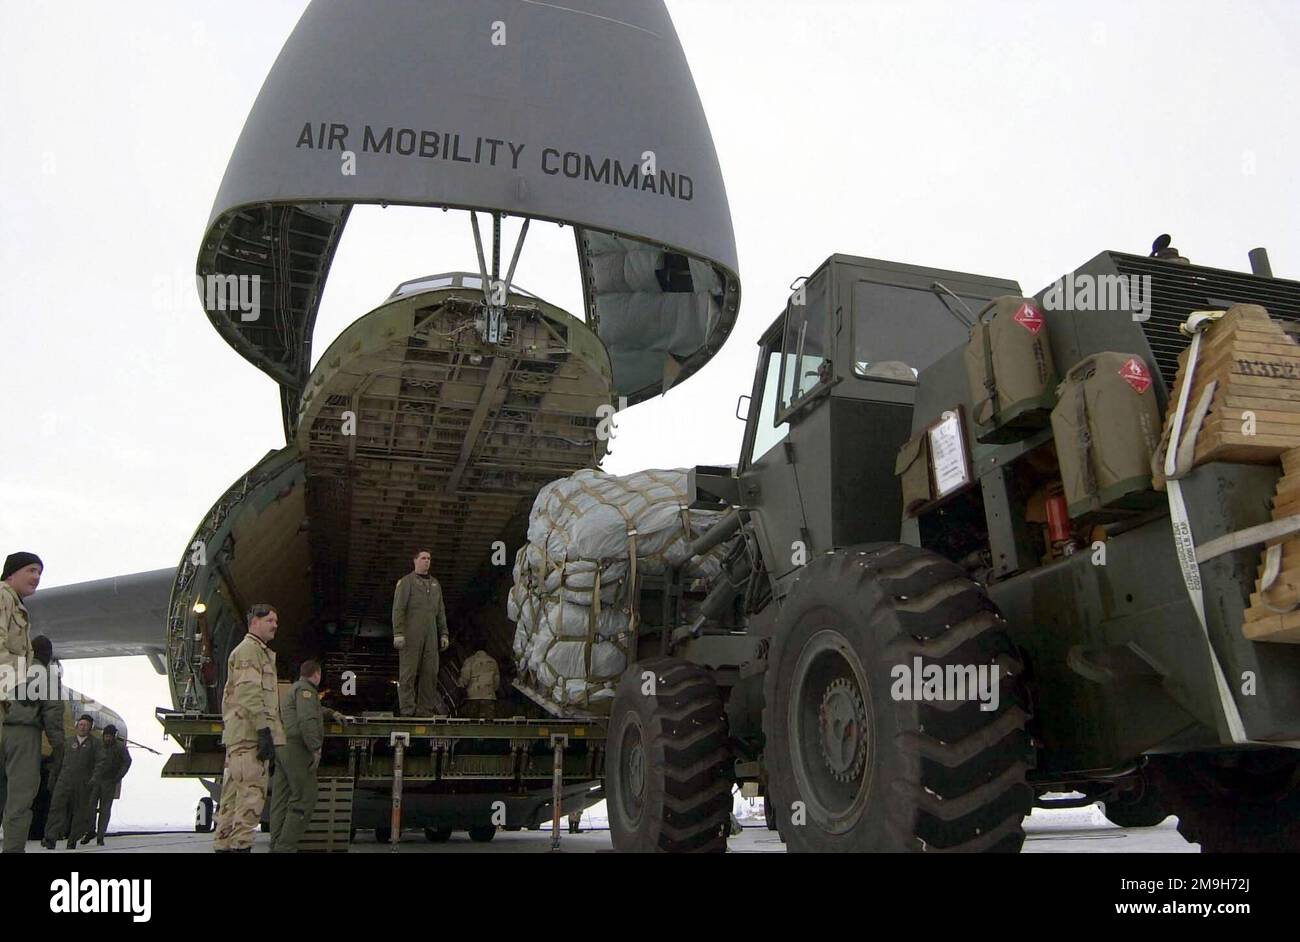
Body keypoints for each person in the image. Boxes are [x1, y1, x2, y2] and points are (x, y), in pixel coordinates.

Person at [213, 604, 284, 853]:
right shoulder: (250, 651)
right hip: (249, 737)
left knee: (232, 799)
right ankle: (241, 847)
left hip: (241, 737)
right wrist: (264, 730)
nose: (275, 625)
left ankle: (224, 845)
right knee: (251, 798)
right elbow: (249, 693)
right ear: (255, 622)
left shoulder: (255, 651)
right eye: (271, 620)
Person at [269, 659, 355, 853]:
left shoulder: (297, 689)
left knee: (281, 799)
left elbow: (313, 710)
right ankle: (285, 847)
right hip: (296, 748)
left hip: (282, 747)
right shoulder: (306, 691)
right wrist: (316, 748)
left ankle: (275, 845)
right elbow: (307, 719)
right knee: (305, 797)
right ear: (316, 674)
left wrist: (331, 713)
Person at [0, 635, 64, 853]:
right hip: (23, 735)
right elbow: (53, 715)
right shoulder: (45, 674)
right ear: (46, 655)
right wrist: (58, 748)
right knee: (19, 801)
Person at [391, 550, 449, 716]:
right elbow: (398, 608)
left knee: (430, 672)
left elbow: (441, 612)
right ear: (415, 561)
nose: (427, 561)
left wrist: (444, 633)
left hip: (430, 634)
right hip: (411, 634)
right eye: (423, 558)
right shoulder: (406, 582)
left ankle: (425, 709)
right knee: (408, 672)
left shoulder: (436, 584)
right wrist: (398, 632)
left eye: (429, 558)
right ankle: (408, 709)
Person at [43, 714, 104, 850]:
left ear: (90, 728)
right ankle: (50, 839)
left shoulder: (95, 744)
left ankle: (73, 839)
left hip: (83, 784)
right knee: (56, 810)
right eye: (81, 724)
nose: (83, 727)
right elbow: (57, 762)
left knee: (80, 813)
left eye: (86, 725)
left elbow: (100, 763)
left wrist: (94, 779)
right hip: (64, 781)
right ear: (77, 726)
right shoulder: (67, 742)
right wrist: (53, 779)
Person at [0, 553, 42, 743]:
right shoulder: (3, 596)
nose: (37, 577)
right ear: (11, 574)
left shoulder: (15, 604)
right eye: (31, 570)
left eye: (39, 572)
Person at [85, 724, 131, 846]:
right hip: (95, 781)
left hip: (109, 782)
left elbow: (127, 762)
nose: (108, 739)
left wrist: (117, 777)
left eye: (110, 736)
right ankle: (90, 831)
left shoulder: (120, 747)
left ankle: (100, 836)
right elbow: (89, 759)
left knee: (105, 810)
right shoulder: (97, 745)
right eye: (106, 736)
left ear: (114, 736)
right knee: (90, 807)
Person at [457, 648, 500, 719]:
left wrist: (461, 686)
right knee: (488, 724)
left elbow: (465, 679)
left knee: (472, 724)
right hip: (489, 698)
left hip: (473, 698)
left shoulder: (470, 661)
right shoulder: (493, 661)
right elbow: (496, 683)